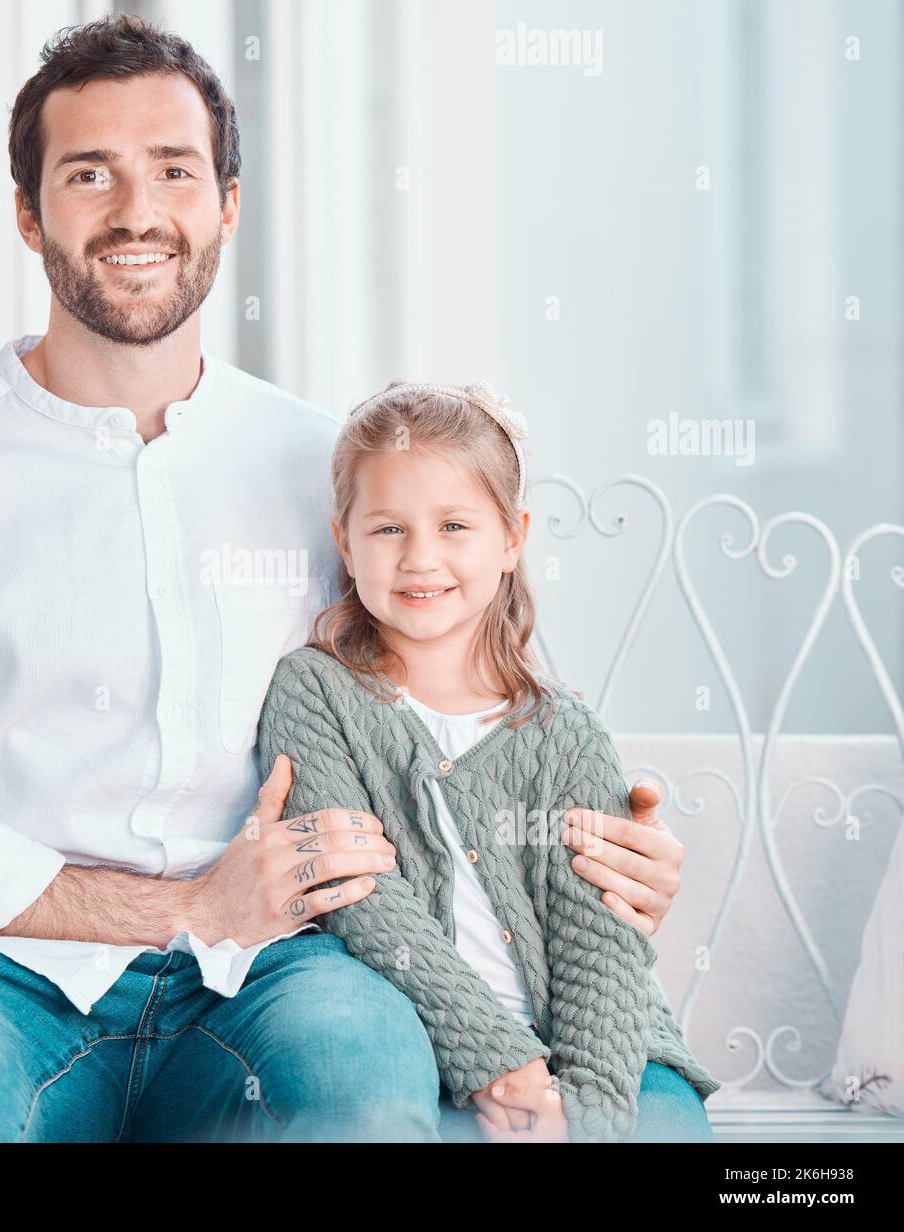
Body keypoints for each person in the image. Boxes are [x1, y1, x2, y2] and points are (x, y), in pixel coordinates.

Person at [0, 13, 695, 1143]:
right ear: (28, 213)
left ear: (226, 203)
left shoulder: (321, 461)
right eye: (87, 174)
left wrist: (594, 847)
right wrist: (176, 907)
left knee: (359, 1087)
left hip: (281, 965)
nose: (136, 210)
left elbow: (461, 706)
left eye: (173, 169)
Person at [257, 380, 719, 1142]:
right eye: (387, 530)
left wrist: (589, 1112)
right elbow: (356, 894)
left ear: (511, 538)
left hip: (601, 1049)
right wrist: (499, 1064)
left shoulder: (565, 734)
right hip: (424, 1043)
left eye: (453, 525)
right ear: (344, 540)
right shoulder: (314, 693)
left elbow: (599, 936)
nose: (421, 558)